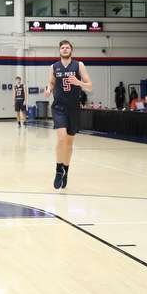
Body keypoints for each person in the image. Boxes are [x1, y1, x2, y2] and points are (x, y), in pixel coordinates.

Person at [43, 39, 93, 189]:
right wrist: (48, 90)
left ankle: (66, 170)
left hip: (73, 107)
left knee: (69, 144)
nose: (64, 49)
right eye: (62, 48)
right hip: (59, 106)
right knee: (62, 138)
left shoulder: (79, 65)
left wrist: (79, 83)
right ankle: (58, 170)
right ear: (59, 51)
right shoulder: (54, 67)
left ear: (71, 51)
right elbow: (52, 82)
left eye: (67, 48)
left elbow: (90, 86)